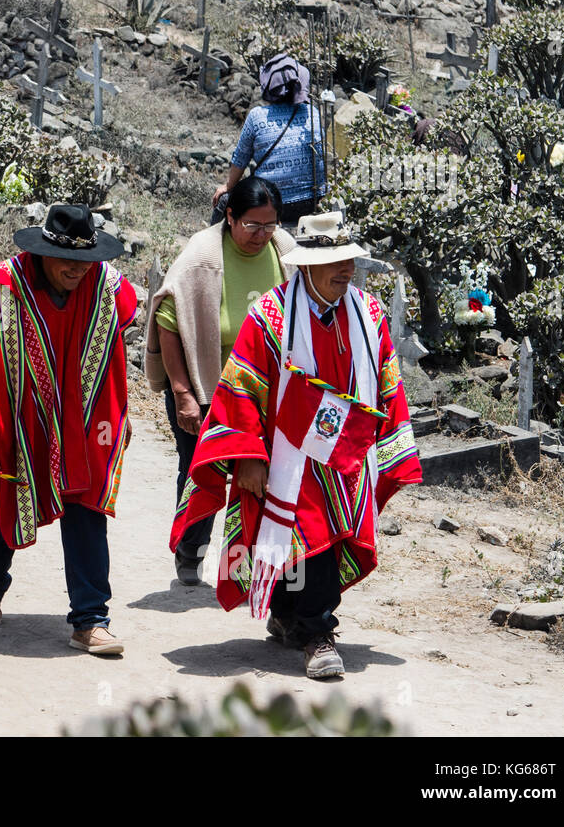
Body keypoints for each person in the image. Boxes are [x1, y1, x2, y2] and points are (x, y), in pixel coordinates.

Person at [170, 211, 422, 679]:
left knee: (323, 537)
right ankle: (316, 631)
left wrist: (392, 452)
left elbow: (388, 380)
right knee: (305, 535)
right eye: (335, 261)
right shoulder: (269, 316)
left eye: (349, 259)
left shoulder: (369, 316)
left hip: (347, 453)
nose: (346, 269)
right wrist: (248, 457)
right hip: (287, 456)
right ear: (305, 265)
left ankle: (289, 614)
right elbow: (241, 387)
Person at [0, 205, 139, 655]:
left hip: (80, 422)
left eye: (86, 261)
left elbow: (116, 355)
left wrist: (120, 413)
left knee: (87, 505)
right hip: (15, 421)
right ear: (41, 252)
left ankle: (91, 619)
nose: (77, 270)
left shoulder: (106, 289)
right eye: (67, 261)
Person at [145, 177, 295, 586]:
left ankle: (254, 565)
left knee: (264, 475)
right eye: (252, 225)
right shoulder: (202, 256)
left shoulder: (285, 253)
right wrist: (182, 394)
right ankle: (190, 550)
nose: (261, 236)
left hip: (265, 394)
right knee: (203, 469)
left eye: (270, 226)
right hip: (207, 385)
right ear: (230, 216)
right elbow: (168, 323)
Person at [213, 54, 325, 227]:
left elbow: (240, 160)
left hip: (269, 204)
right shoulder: (313, 113)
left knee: (224, 201)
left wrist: (228, 187)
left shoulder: (257, 117)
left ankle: (214, 247)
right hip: (312, 200)